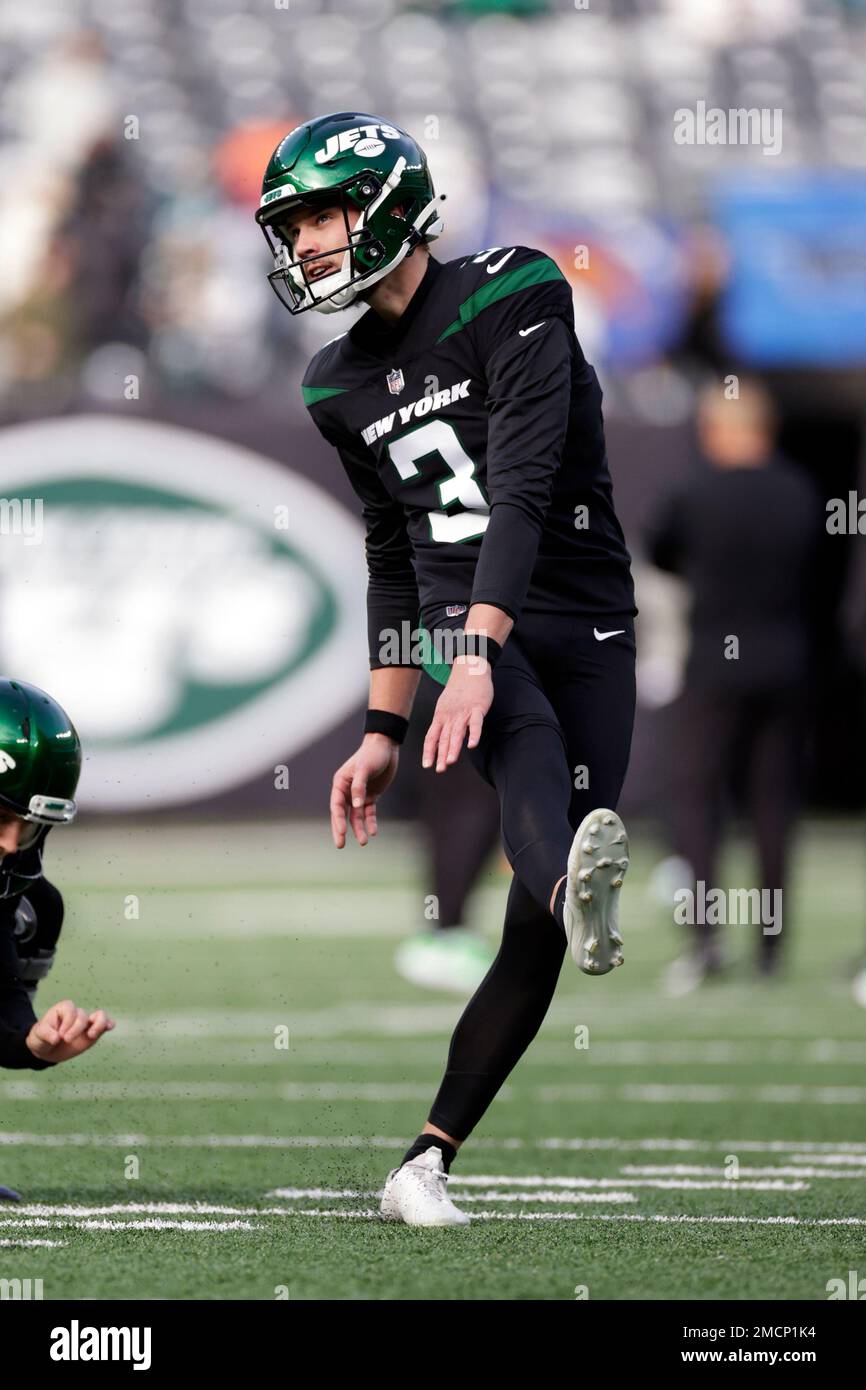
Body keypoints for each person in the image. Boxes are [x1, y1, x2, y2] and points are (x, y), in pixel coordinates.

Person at [256, 112, 637, 1226]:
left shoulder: (511, 287)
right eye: (294, 226)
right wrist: (383, 725)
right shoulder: (334, 383)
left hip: (579, 613)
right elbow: (389, 551)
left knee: (528, 932)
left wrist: (483, 642)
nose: (306, 244)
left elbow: (518, 488)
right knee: (530, 781)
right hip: (446, 622)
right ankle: (576, 885)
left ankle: (420, 1161)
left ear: (386, 205)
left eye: (321, 215)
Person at [647, 379, 821, 994]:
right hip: (784, 663)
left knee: (696, 800)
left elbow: (660, 550)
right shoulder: (800, 490)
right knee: (773, 806)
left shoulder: (695, 491)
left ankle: (706, 942)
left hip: (714, 667)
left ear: (717, 428)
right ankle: (772, 949)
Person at [0, 678, 115, 1202]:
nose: (8, 846)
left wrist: (32, 1041)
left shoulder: (23, 902)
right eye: (0, 818)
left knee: (34, 910)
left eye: (24, 827)